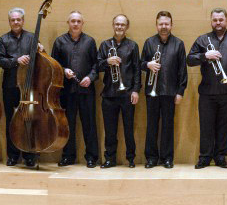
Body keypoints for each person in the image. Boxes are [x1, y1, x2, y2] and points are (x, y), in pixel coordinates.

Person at [188, 8, 227, 168]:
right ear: (211, 21)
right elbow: (189, 59)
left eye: (221, 20)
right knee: (206, 126)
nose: (218, 23)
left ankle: (221, 156)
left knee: (226, 126)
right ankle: (205, 157)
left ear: (226, 21)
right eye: (215, 20)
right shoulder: (202, 40)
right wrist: (204, 56)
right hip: (208, 92)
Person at [52, 11, 100, 168]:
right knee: (68, 125)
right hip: (66, 91)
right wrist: (64, 69)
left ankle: (92, 157)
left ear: (82, 23)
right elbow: (54, 65)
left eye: (78, 21)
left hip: (86, 91)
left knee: (89, 124)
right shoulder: (59, 41)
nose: (75, 24)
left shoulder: (90, 41)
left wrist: (90, 77)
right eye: (72, 21)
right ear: (68, 23)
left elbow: (96, 65)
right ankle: (68, 156)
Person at [142, 11, 188, 168]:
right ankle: (151, 158)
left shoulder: (179, 44)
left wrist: (180, 91)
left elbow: (182, 70)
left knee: (168, 126)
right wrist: (147, 64)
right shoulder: (148, 42)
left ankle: (167, 158)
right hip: (152, 92)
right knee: (151, 126)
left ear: (171, 25)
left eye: (166, 24)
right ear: (156, 25)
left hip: (170, 91)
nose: (164, 27)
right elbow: (140, 64)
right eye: (161, 24)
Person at [96, 14, 139, 168]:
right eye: (117, 24)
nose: (119, 27)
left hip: (127, 94)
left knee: (129, 128)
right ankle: (110, 159)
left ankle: (131, 158)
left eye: (122, 24)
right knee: (110, 130)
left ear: (127, 27)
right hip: (109, 93)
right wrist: (107, 61)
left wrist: (135, 90)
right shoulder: (105, 45)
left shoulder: (133, 46)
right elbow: (97, 66)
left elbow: (137, 70)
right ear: (113, 25)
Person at [0, 7, 37, 167]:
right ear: (9, 22)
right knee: (12, 122)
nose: (16, 22)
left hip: (28, 87)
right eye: (13, 20)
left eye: (18, 19)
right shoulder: (3, 39)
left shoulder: (32, 37)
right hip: (10, 86)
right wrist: (16, 61)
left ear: (23, 21)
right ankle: (13, 155)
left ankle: (29, 156)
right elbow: (0, 61)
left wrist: (40, 50)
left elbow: (39, 59)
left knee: (29, 120)